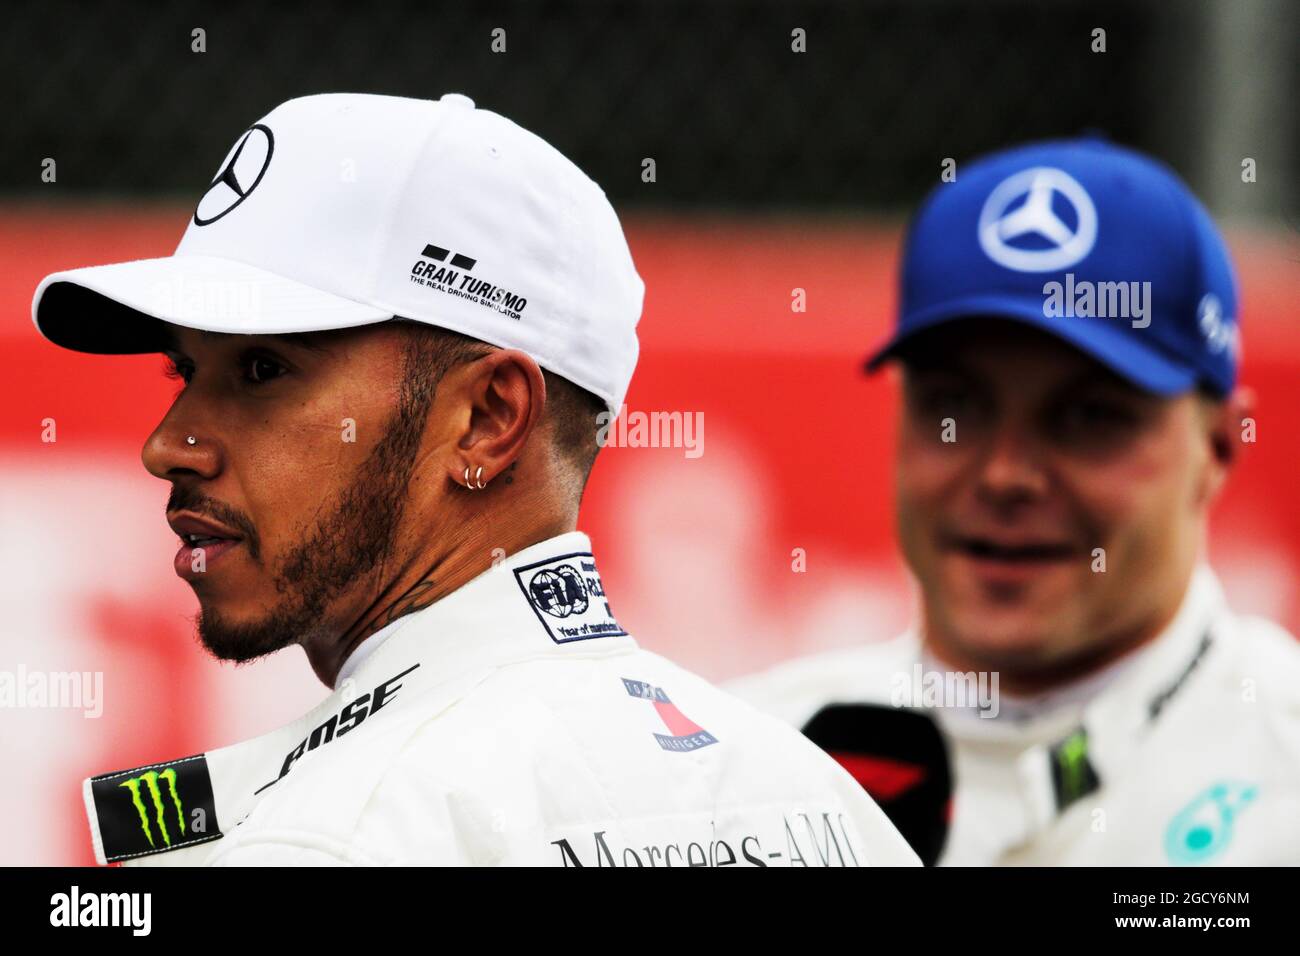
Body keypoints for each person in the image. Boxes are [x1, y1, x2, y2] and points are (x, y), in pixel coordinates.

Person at [33, 92, 917, 867]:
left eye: (263, 370)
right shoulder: (818, 805)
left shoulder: (330, 836)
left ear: (489, 419)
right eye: (183, 372)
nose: (168, 446)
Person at [730, 138, 1300, 866]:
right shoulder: (742, 765)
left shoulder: (1284, 771)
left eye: (1088, 417)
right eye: (956, 406)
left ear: (1218, 445)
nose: (1005, 475)